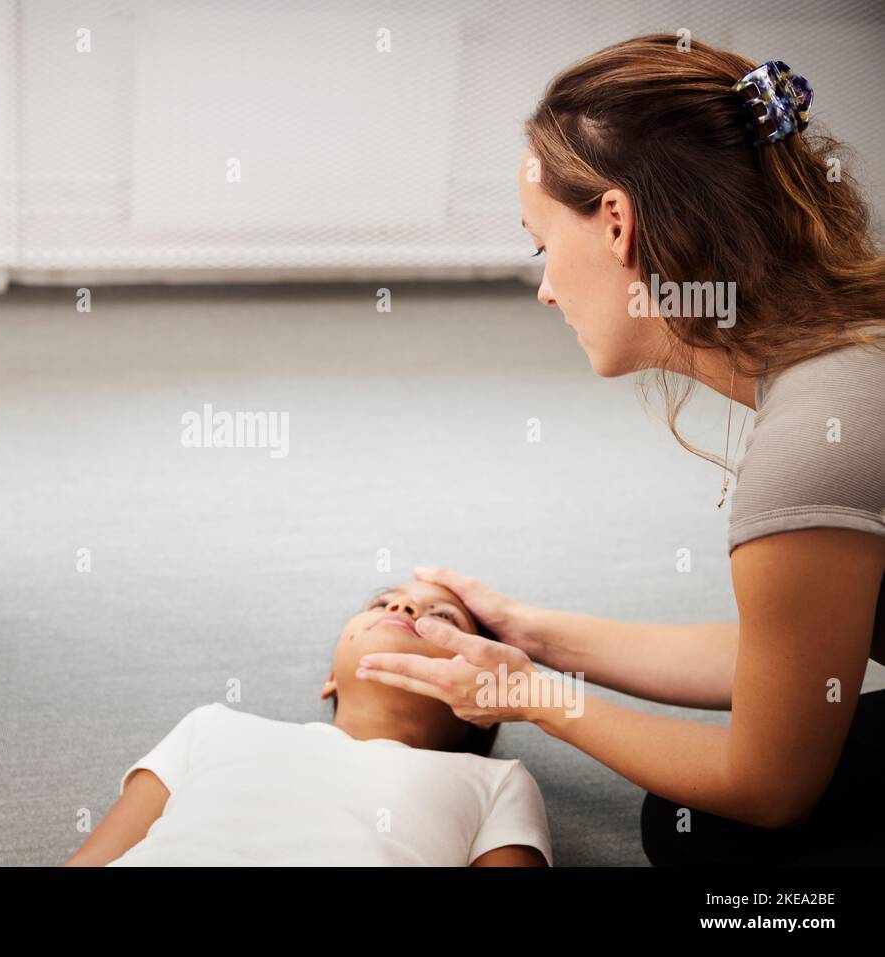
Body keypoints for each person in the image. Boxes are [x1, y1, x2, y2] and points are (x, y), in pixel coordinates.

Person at [355, 35, 885, 865]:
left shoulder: (810, 455)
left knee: (709, 833)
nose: (546, 287)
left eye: (541, 244)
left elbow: (769, 786)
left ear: (616, 224)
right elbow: (802, 653)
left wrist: (524, 693)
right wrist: (533, 635)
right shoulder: (851, 347)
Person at [63, 579, 552, 866]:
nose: (402, 609)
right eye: (382, 603)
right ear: (329, 679)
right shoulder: (211, 726)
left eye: (443, 618)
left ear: (484, 708)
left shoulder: (495, 781)